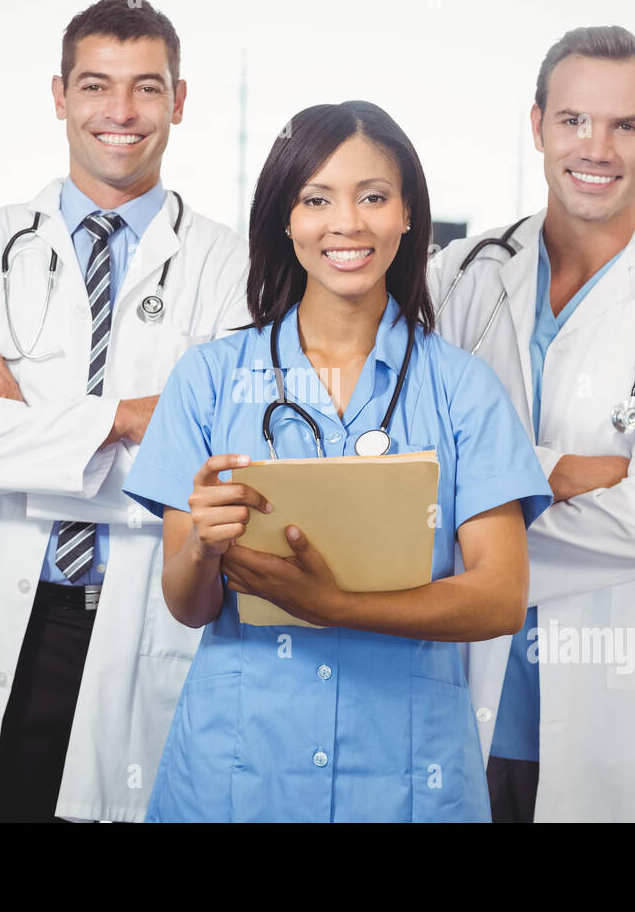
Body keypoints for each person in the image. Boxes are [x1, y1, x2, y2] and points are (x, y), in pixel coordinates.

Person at [121, 100, 552, 822]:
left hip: (406, 777)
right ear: (285, 220)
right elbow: (188, 605)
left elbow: (499, 597)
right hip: (243, 769)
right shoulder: (209, 378)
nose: (346, 223)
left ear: (407, 214)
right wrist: (201, 540)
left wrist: (334, 606)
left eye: (373, 197)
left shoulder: (462, 388)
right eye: (316, 199)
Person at [0, 0, 248, 823]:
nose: (120, 113)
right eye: (96, 86)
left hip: (144, 615)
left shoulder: (233, 270)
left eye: (146, 89)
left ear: (180, 100)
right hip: (8, 624)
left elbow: (219, 472)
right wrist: (122, 419)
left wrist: (22, 424)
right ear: (60, 96)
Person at [430, 26, 635, 822]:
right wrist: (559, 468)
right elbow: (407, 463)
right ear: (536, 124)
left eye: (624, 126)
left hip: (612, 701)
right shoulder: (457, 276)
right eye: (574, 120)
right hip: (460, 687)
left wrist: (472, 525)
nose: (595, 147)